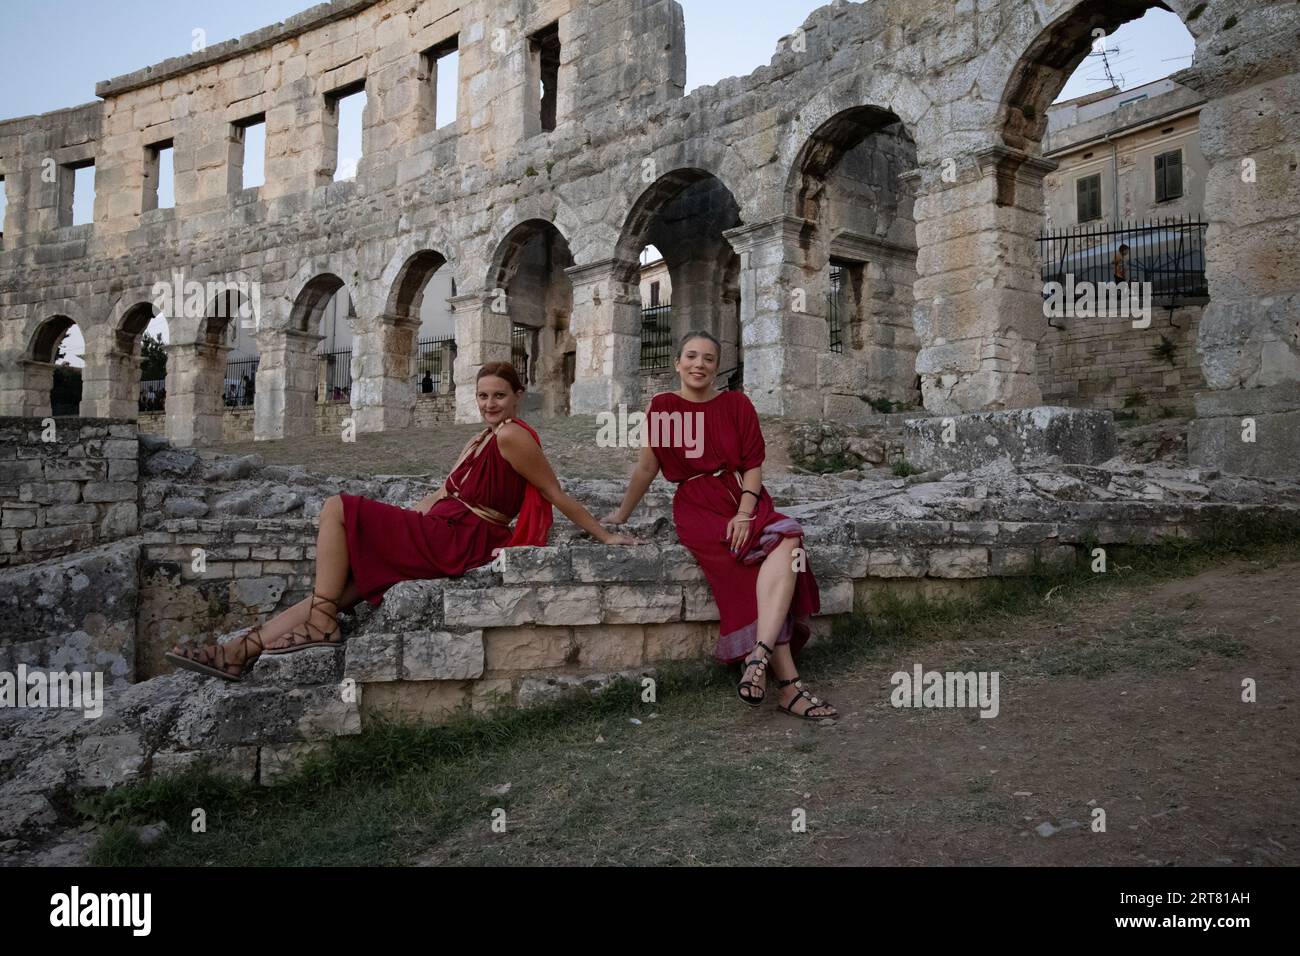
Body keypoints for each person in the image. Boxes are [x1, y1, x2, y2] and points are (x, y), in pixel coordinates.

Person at [165, 362, 640, 681]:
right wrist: (399, 521)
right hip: (441, 529)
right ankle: (239, 653)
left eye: (499, 395)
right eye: (482, 396)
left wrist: (605, 533)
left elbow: (554, 492)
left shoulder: (514, 437)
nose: (490, 403)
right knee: (334, 588)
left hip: (463, 540)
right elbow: (440, 493)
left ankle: (321, 626)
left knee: (338, 508)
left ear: (519, 395)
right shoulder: (481, 438)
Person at [604, 331, 836, 721]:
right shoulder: (663, 406)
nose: (699, 364)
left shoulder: (737, 403)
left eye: (709, 358)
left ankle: (758, 656)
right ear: (677, 363)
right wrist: (621, 515)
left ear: (716, 366)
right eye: (691, 356)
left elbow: (753, 464)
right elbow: (648, 466)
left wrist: (746, 511)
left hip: (741, 496)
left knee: (789, 537)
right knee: (746, 569)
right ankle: (789, 687)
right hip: (697, 505)